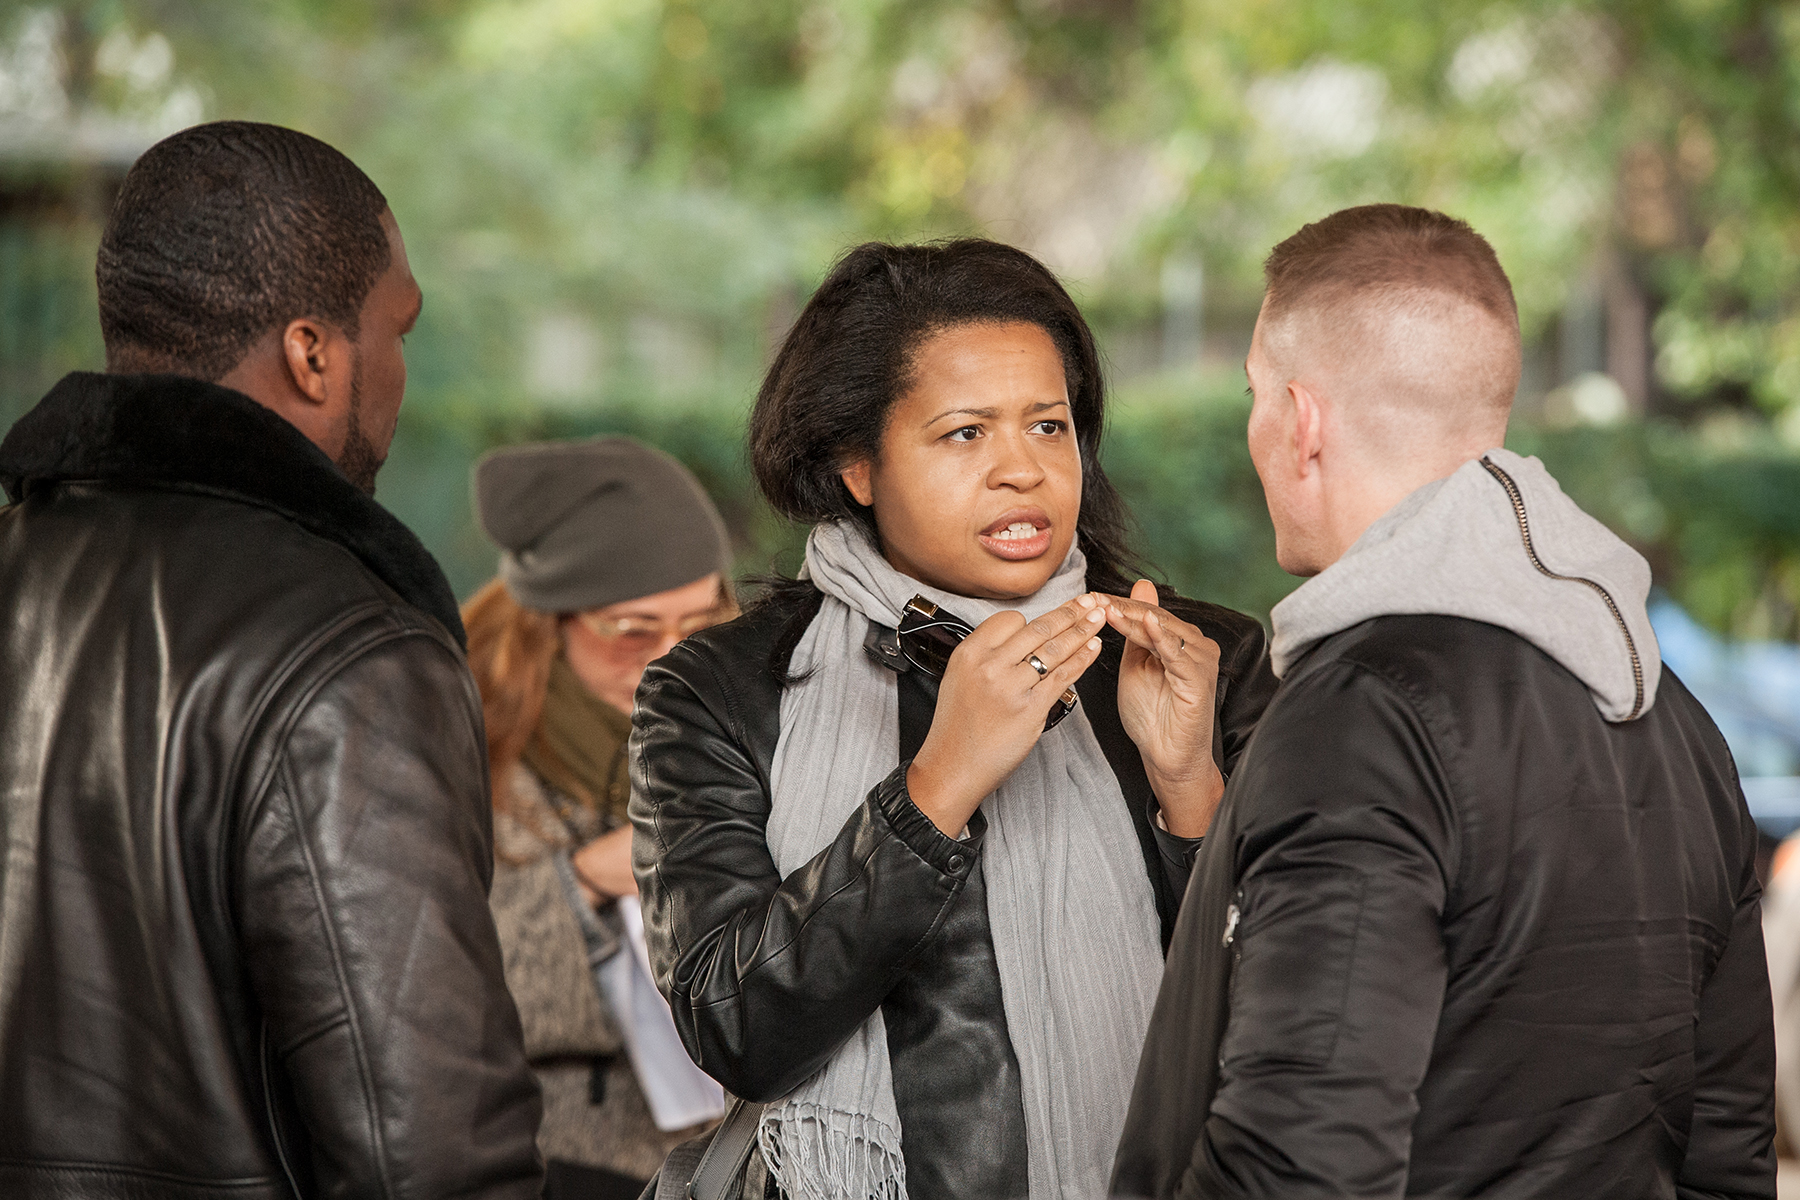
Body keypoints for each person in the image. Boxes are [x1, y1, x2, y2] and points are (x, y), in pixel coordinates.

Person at [1110, 204, 1776, 1199]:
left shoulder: (1359, 715)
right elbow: (1729, 1151)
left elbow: (1300, 1170)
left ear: (1302, 421)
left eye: (1255, 395)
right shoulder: (1671, 716)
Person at [629, 238, 1279, 1200]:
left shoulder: (1197, 660)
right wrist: (934, 791)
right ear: (856, 464)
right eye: (965, 433)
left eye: (1049, 427)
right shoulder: (720, 691)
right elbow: (737, 1031)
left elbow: (1300, 1008)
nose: (1022, 471)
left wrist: (1189, 787)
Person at [0, 121, 543, 1197]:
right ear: (313, 353)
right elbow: (427, 1157)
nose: (397, 375)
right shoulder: (353, 649)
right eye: (397, 330)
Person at [465, 437, 738, 1198]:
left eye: (701, 619)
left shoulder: (756, 730)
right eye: (633, 630)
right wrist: (582, 881)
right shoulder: (461, 748)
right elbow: (430, 1002)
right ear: (549, 620)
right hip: (553, 1170)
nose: (674, 656)